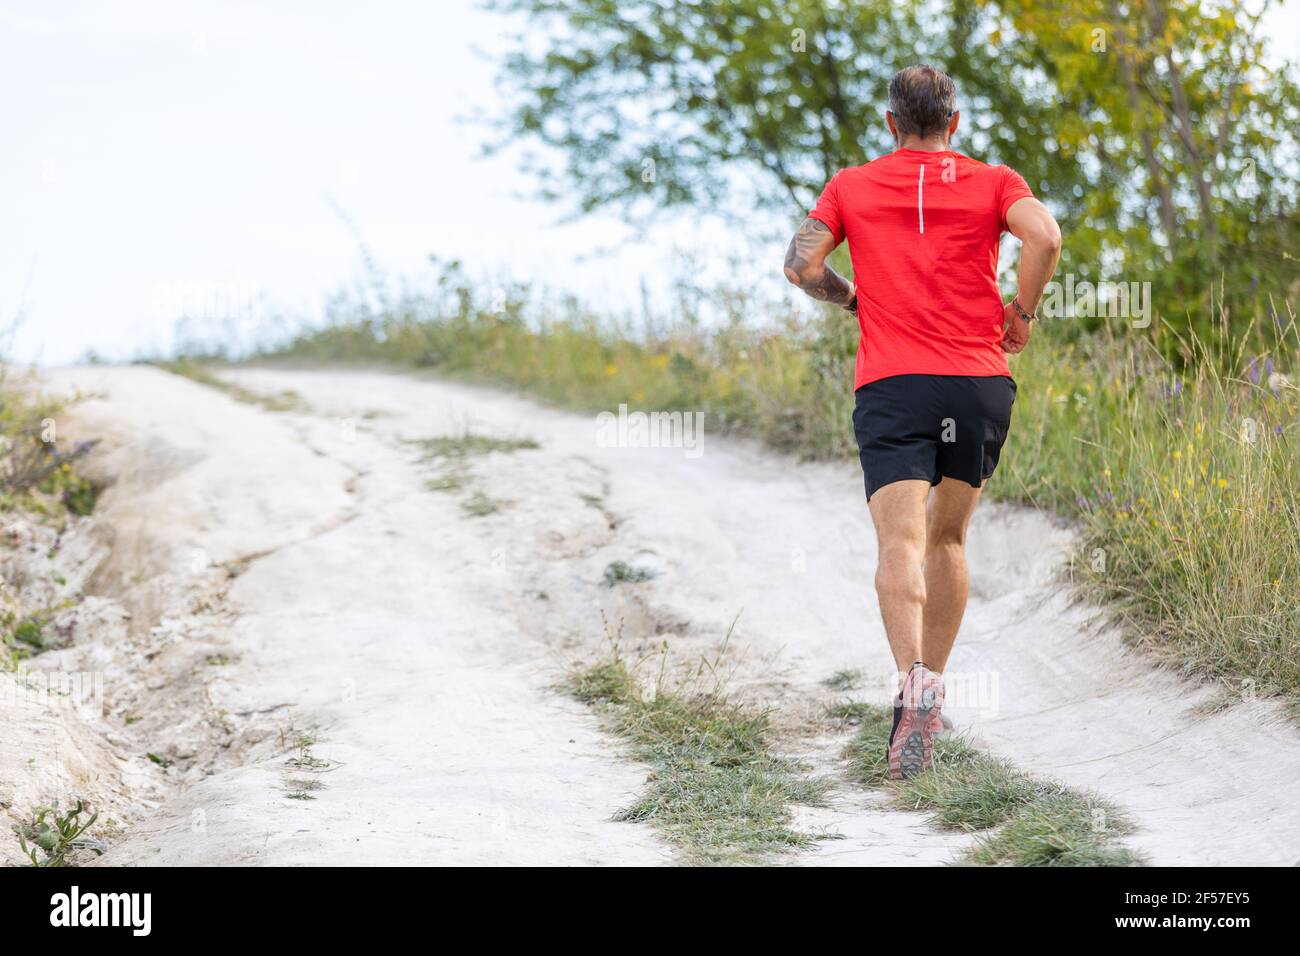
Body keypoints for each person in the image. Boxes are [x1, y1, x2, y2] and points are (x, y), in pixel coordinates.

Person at [783, 64, 1062, 779]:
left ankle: (911, 685)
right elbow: (1047, 239)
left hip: (893, 384)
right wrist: (1021, 316)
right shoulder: (996, 180)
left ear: (890, 125)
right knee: (948, 538)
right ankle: (930, 691)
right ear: (955, 124)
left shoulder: (851, 184)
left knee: (897, 543)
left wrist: (852, 300)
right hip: (977, 385)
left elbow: (800, 264)